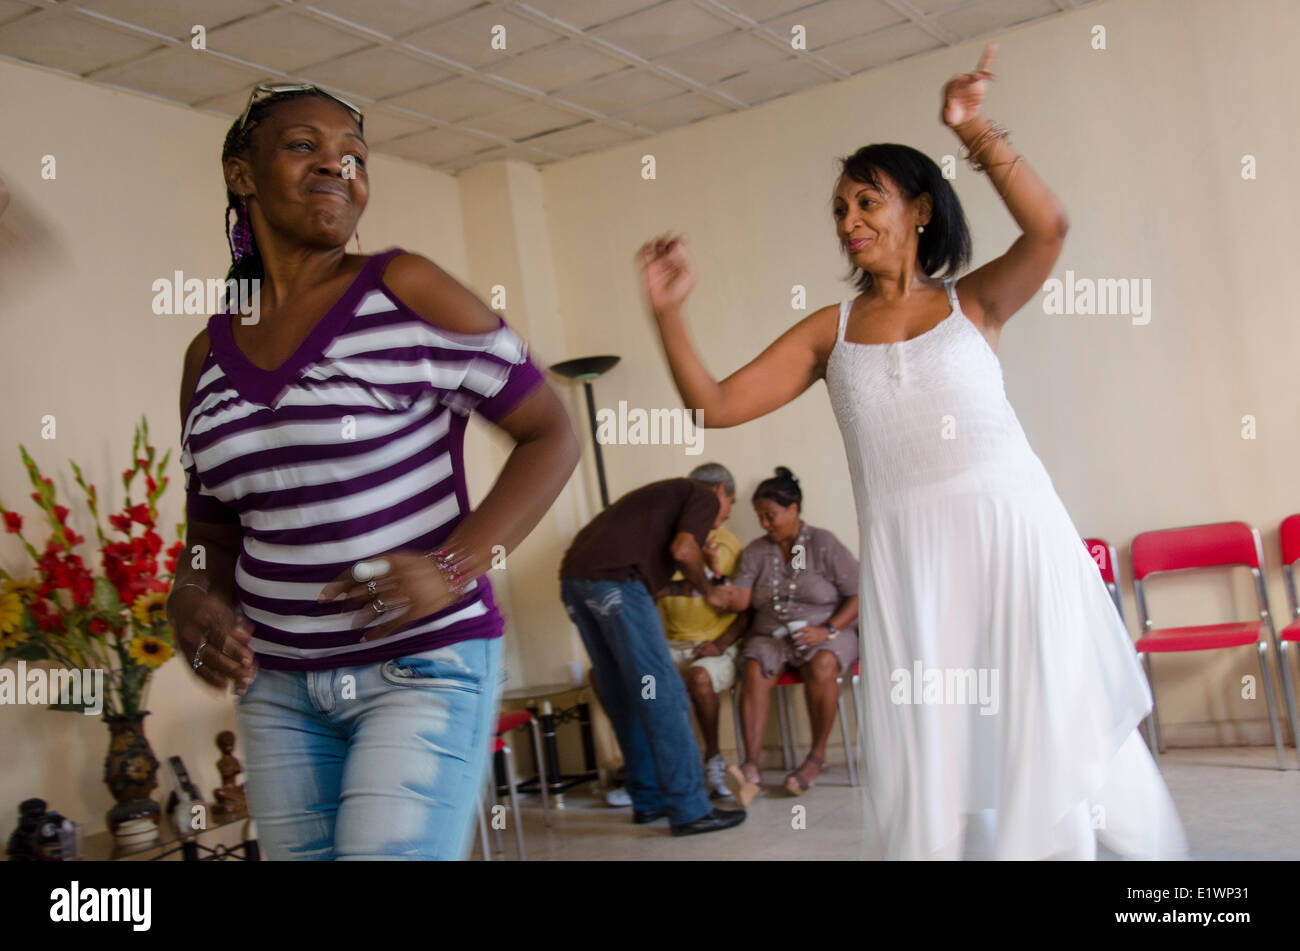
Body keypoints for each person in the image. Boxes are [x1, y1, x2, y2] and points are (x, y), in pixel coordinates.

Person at [637, 46, 1186, 859]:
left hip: (1014, 543)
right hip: (915, 565)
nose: (848, 220)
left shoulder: (976, 302)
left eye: (867, 201)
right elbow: (712, 403)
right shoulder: (833, 330)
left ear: (920, 208)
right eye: (838, 209)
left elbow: (1050, 227)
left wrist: (971, 126)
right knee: (948, 750)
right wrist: (669, 313)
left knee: (1054, 723)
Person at [164, 83, 580, 860]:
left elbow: (551, 433)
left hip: (420, 663)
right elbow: (210, 532)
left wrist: (455, 565)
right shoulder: (206, 357)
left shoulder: (405, 288)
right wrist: (188, 598)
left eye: (354, 156)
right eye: (303, 146)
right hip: (279, 687)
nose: (337, 166)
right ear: (242, 174)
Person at [560, 472, 746, 836]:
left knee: (627, 696)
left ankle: (649, 800)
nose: (722, 517)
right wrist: (707, 589)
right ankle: (691, 809)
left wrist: (687, 583)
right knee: (664, 693)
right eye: (730, 506)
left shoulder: (656, 502)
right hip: (615, 585)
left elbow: (652, 586)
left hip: (575, 583)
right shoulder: (701, 495)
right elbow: (683, 550)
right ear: (721, 490)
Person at [717, 468, 859, 805]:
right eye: (760, 517)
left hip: (827, 632)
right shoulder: (754, 552)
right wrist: (716, 577)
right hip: (771, 636)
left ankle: (815, 759)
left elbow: (858, 594)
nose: (764, 524)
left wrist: (827, 629)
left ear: (793, 509)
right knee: (753, 664)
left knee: (824, 664)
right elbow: (742, 601)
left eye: (771, 516)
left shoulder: (824, 544)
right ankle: (751, 768)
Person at [654, 462, 745, 799]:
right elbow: (650, 591)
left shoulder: (727, 542)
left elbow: (735, 603)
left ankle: (713, 761)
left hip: (712, 647)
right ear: (720, 493)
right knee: (636, 680)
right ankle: (657, 775)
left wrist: (720, 643)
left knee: (699, 678)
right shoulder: (671, 543)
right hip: (670, 645)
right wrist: (684, 588)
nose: (727, 512)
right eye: (729, 503)